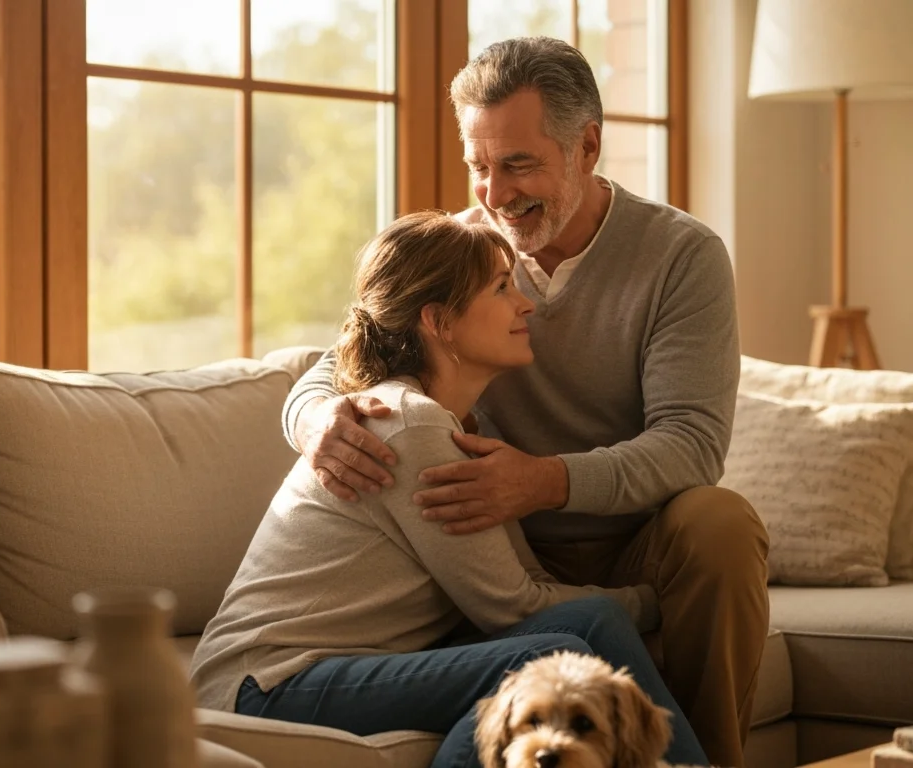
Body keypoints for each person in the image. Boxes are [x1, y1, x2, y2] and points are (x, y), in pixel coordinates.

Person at [280, 37, 770, 768]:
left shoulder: (680, 255)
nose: (494, 194)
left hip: (627, 528)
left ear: (588, 146)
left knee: (722, 523)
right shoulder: (460, 249)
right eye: (478, 166)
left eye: (516, 163)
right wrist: (315, 417)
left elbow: (692, 444)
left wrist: (544, 479)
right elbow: (346, 357)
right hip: (487, 536)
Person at [189, 210, 708, 768]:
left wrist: (628, 606)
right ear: (438, 321)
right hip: (264, 685)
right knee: (551, 648)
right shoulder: (409, 423)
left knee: (574, 634)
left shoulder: (450, 427)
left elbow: (525, 585)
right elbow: (512, 607)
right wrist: (660, 602)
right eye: (503, 288)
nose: (525, 304)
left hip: (327, 670)